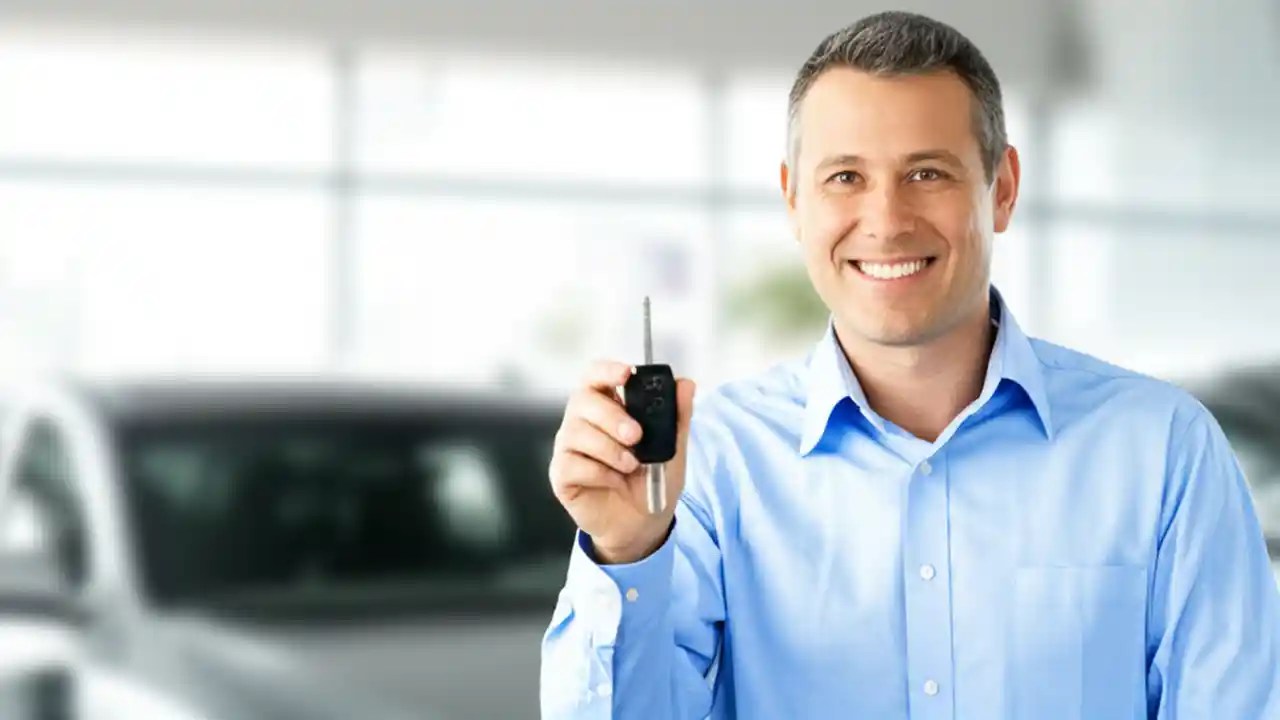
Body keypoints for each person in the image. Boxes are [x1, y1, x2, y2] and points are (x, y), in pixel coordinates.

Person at [540, 11, 1280, 719]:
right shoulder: (710, 463)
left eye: (927, 173)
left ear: (1004, 187)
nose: (887, 220)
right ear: (793, 199)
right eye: (845, 177)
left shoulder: (1162, 452)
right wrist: (627, 554)